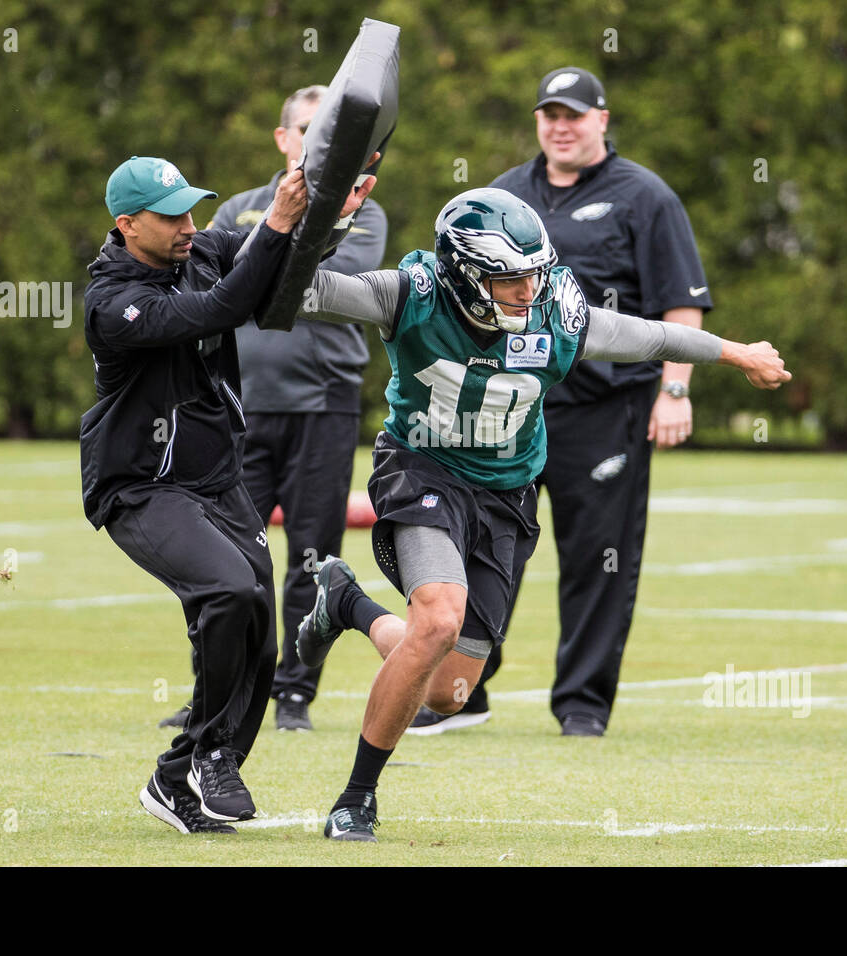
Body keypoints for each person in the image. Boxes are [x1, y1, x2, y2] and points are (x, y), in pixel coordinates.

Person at [290, 187, 789, 840]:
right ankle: (356, 798)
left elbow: (642, 335)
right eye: (509, 279)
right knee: (439, 616)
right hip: (423, 468)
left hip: (507, 492)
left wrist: (734, 352)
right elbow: (311, 291)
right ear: (464, 275)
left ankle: (347, 604)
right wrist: (314, 223)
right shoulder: (409, 295)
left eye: (533, 273)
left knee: (446, 693)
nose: (528, 290)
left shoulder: (558, 311)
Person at [409, 67, 715, 737]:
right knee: (487, 551)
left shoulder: (646, 197)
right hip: (507, 411)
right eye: (550, 113)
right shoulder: (506, 193)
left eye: (575, 114)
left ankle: (582, 704)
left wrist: (674, 390)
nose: (562, 125)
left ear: (602, 119)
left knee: (596, 556)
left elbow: (679, 304)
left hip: (606, 413)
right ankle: (463, 691)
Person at [80, 154, 373, 834]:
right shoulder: (114, 302)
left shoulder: (202, 249)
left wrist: (333, 210)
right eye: (171, 215)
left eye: (190, 210)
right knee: (228, 593)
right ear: (128, 226)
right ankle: (200, 753)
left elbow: (278, 262)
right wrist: (275, 218)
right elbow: (223, 306)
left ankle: (194, 772)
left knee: (259, 625)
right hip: (141, 486)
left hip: (216, 479)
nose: (189, 225)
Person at [156, 85, 388, 733]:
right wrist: (266, 245)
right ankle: (216, 693)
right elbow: (220, 282)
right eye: (306, 129)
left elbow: (310, 279)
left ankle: (293, 693)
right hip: (240, 408)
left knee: (311, 557)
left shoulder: (364, 211)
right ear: (283, 139)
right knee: (222, 557)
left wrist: (279, 241)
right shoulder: (236, 207)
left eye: (330, 132)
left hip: (323, 405)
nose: (317, 143)